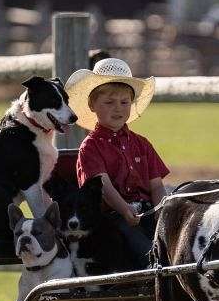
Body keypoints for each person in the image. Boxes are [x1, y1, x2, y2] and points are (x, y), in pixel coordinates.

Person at [65, 58, 167, 268]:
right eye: (109, 102)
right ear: (92, 105)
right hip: (112, 216)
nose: (118, 109)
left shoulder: (142, 143)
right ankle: (151, 274)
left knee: (176, 239)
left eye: (124, 102)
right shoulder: (91, 147)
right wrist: (125, 209)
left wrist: (161, 212)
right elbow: (103, 187)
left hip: (147, 212)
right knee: (146, 252)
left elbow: (156, 185)